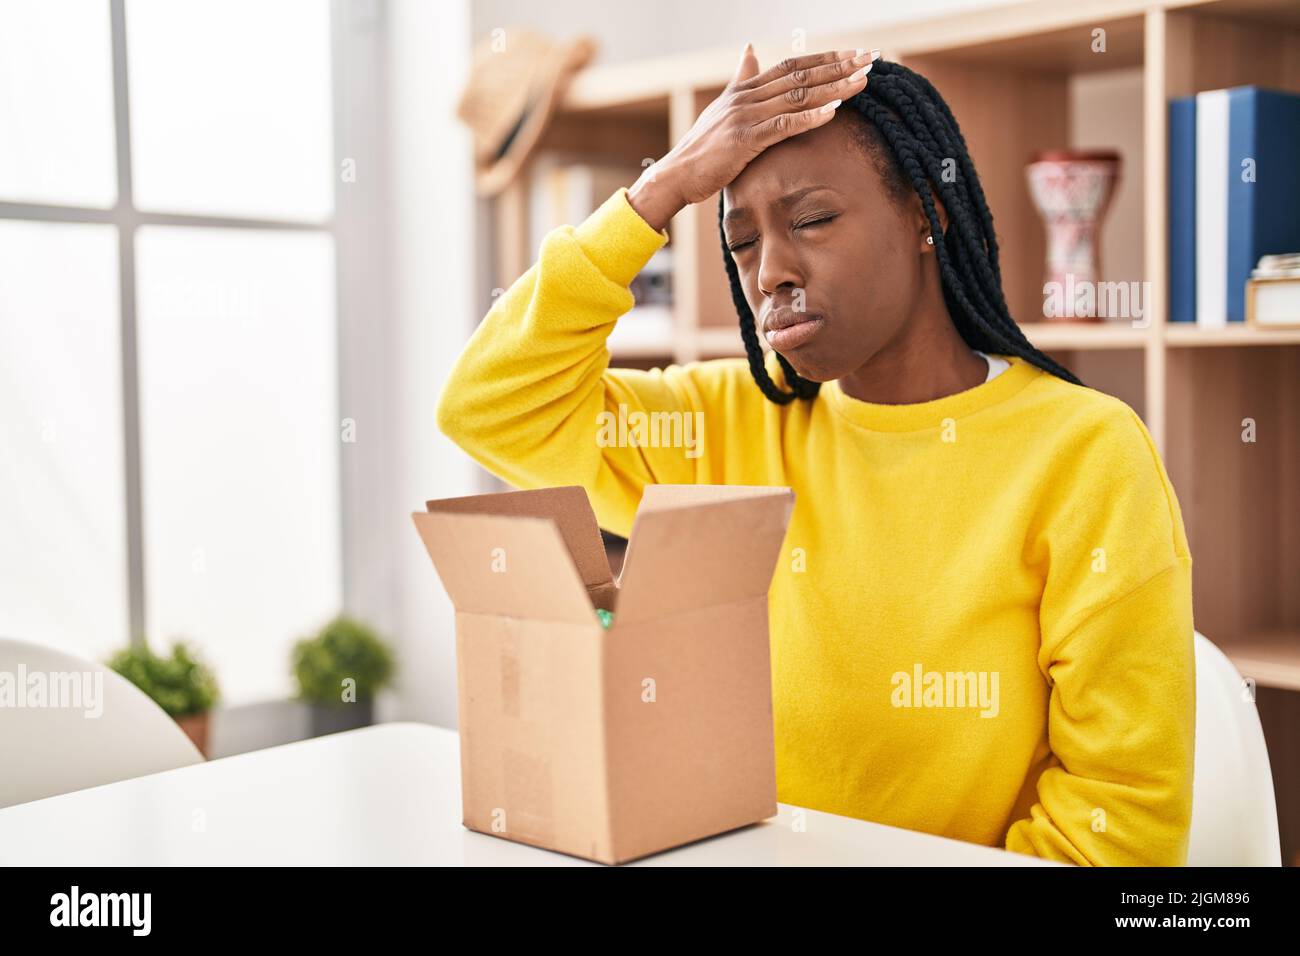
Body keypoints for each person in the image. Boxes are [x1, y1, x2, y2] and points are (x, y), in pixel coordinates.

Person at [435, 44, 1195, 866]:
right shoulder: (722, 423)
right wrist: (661, 192)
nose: (773, 273)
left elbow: (1123, 822)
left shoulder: (1085, 453)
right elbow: (490, 408)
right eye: (743, 243)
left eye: (812, 220)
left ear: (924, 215)